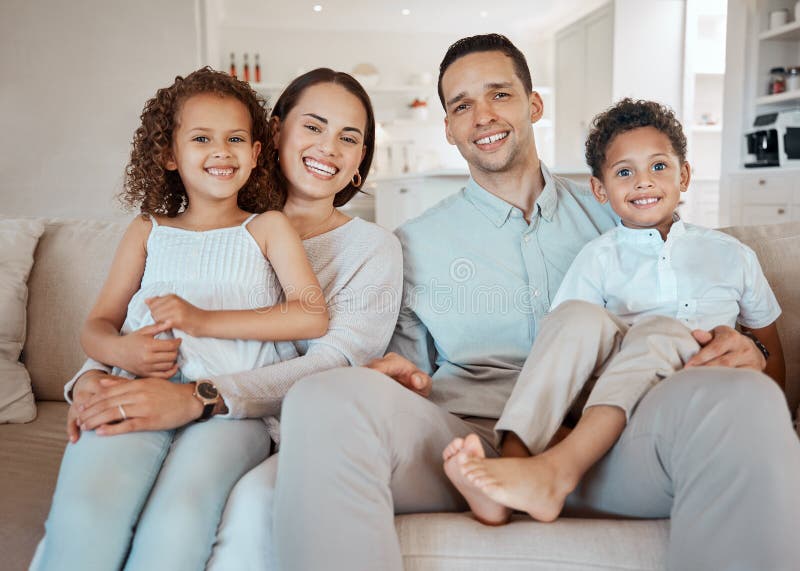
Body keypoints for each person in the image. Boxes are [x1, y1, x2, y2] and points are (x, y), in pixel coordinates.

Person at [272, 34, 800, 571]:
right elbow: (402, 369)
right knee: (323, 398)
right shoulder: (409, 245)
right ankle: (510, 475)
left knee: (747, 401)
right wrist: (393, 374)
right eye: (462, 105)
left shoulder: (620, 207)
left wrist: (751, 349)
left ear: (533, 105)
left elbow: (701, 287)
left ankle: (549, 472)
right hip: (467, 445)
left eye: (499, 94)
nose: (482, 116)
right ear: (449, 128)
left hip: (614, 444)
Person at [35, 68, 402, 571]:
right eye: (313, 127)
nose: (328, 148)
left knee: (191, 518)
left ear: (362, 160)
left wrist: (197, 392)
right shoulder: (160, 228)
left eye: (350, 137)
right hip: (152, 385)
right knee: (88, 511)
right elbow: (122, 321)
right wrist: (93, 380)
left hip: (249, 416)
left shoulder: (359, 246)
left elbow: (330, 360)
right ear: (273, 136)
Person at [447, 97, 785, 525]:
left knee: (662, 329)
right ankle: (512, 465)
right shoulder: (598, 257)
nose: (643, 182)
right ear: (600, 190)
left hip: (686, 394)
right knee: (572, 317)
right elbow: (566, 348)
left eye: (659, 167)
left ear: (684, 175)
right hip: (608, 404)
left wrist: (765, 389)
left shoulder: (731, 255)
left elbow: (771, 356)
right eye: (625, 172)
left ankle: (556, 472)